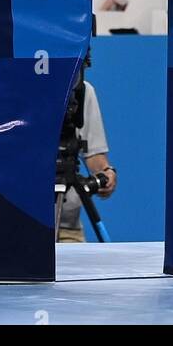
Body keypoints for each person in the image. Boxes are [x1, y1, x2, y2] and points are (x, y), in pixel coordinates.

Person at [57, 76, 117, 243]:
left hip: (67, 229)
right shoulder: (13, 86)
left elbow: (95, 158)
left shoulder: (82, 91)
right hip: (19, 227)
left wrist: (106, 173)